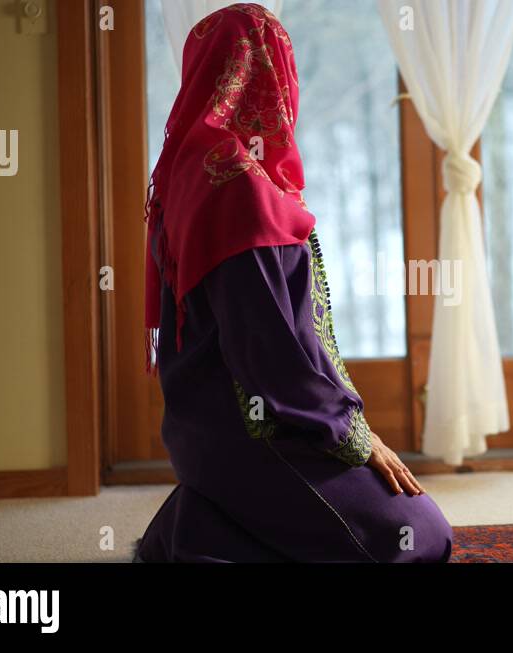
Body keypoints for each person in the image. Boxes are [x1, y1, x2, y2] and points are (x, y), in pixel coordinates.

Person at [134, 3, 453, 563]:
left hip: (201, 437)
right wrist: (353, 437)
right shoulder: (238, 189)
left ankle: (199, 524)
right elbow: (272, 356)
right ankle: (205, 536)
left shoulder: (184, 173)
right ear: (269, 75)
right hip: (262, 434)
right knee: (421, 536)